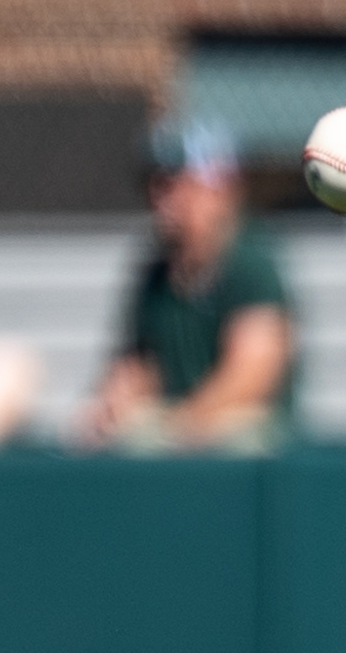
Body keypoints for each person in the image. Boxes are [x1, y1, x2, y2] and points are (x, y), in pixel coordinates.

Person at [75, 121, 294, 454]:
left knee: (239, 439)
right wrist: (112, 403)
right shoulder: (156, 273)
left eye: (174, 184)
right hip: (180, 421)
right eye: (153, 184)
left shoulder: (249, 261)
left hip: (245, 430)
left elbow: (252, 374)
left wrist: (179, 428)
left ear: (218, 188)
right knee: (112, 439)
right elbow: (142, 364)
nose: (160, 198)